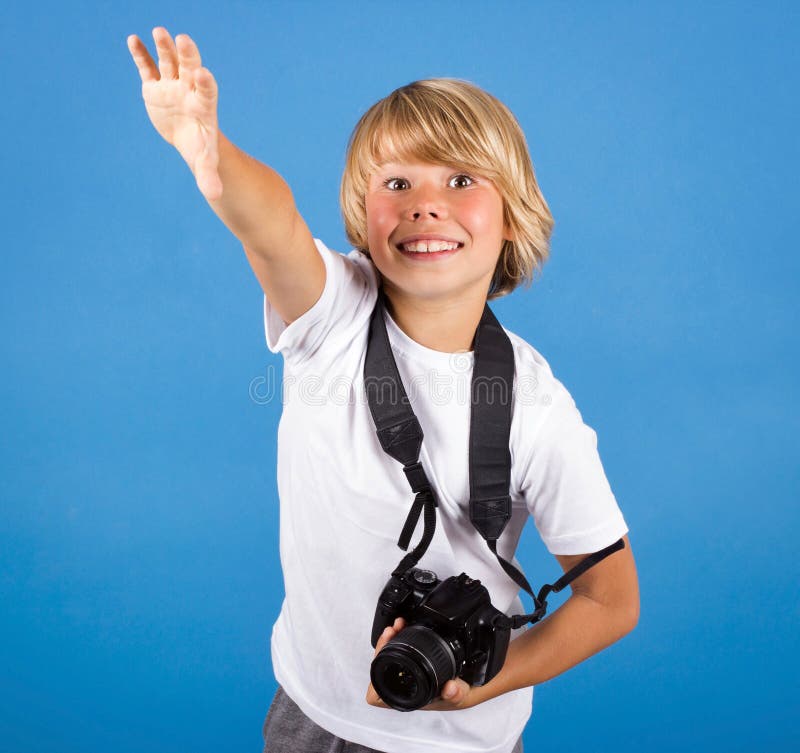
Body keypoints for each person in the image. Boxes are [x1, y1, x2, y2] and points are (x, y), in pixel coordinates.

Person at [127, 27, 640, 753]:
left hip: (466, 739)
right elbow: (271, 225)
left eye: (461, 180)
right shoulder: (331, 316)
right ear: (362, 217)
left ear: (512, 217)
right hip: (314, 712)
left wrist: (488, 680)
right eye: (397, 183)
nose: (425, 204)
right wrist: (212, 160)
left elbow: (611, 600)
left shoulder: (536, 407)